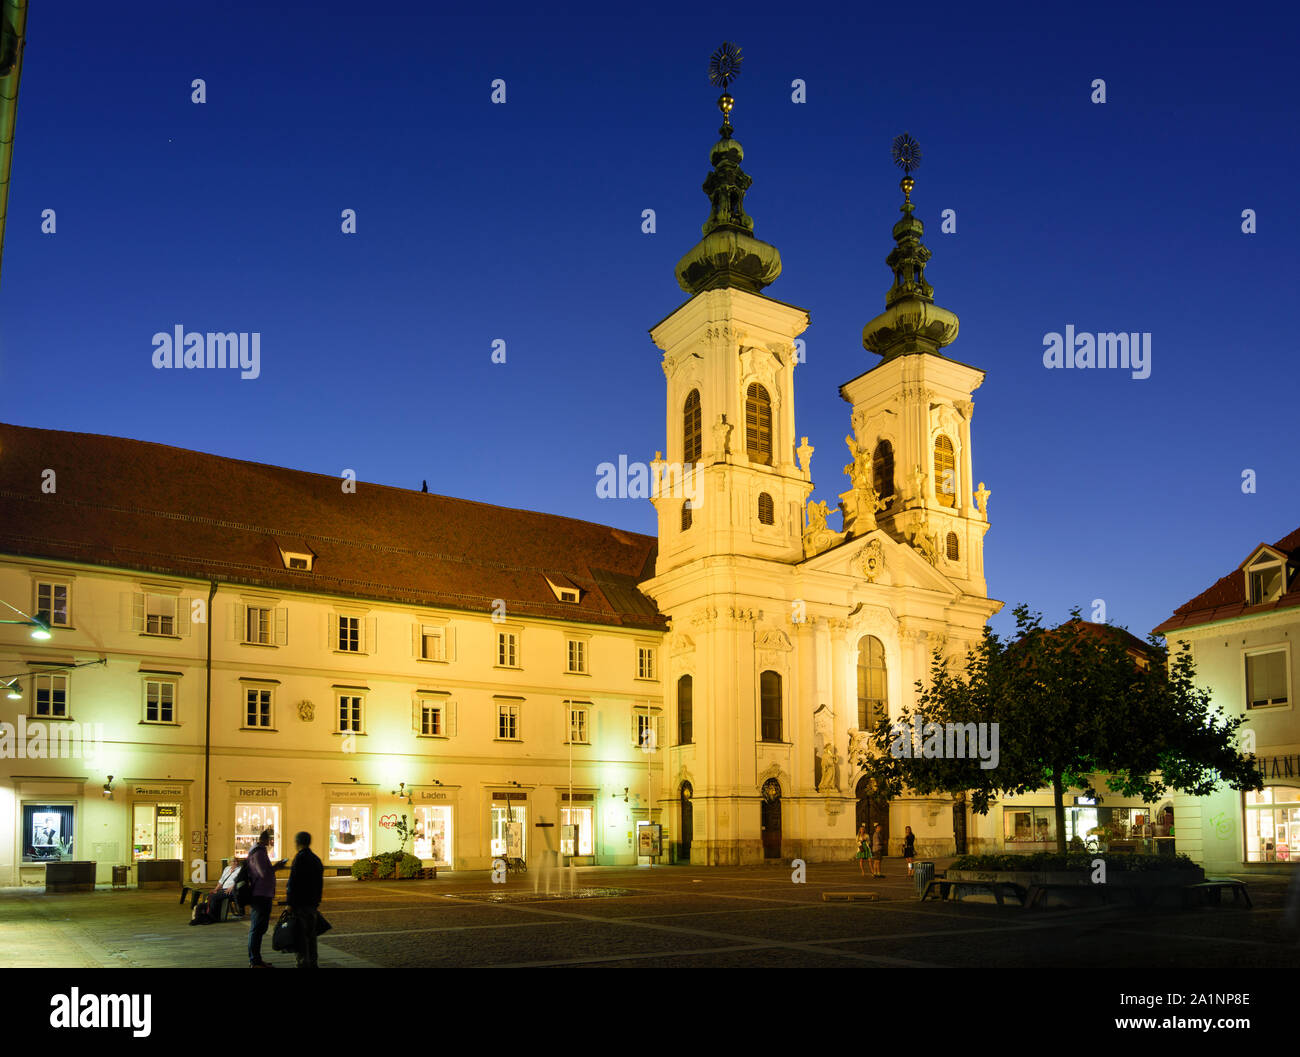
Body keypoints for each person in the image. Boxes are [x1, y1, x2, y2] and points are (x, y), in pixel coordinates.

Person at [246, 829, 285, 968]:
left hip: (262, 893)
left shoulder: (257, 851)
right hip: (261, 894)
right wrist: (277, 867)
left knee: (258, 928)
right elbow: (263, 873)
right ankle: (255, 960)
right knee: (257, 928)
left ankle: (255, 959)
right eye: (271, 839)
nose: (271, 842)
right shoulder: (259, 852)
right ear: (267, 839)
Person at [287, 831, 324, 969]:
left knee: (300, 936)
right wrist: (317, 900)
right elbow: (319, 883)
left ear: (298, 843)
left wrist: (290, 903)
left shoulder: (299, 858)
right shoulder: (316, 859)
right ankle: (313, 963)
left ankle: (303, 963)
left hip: (300, 904)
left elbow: (293, 882)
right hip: (312, 903)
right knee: (311, 936)